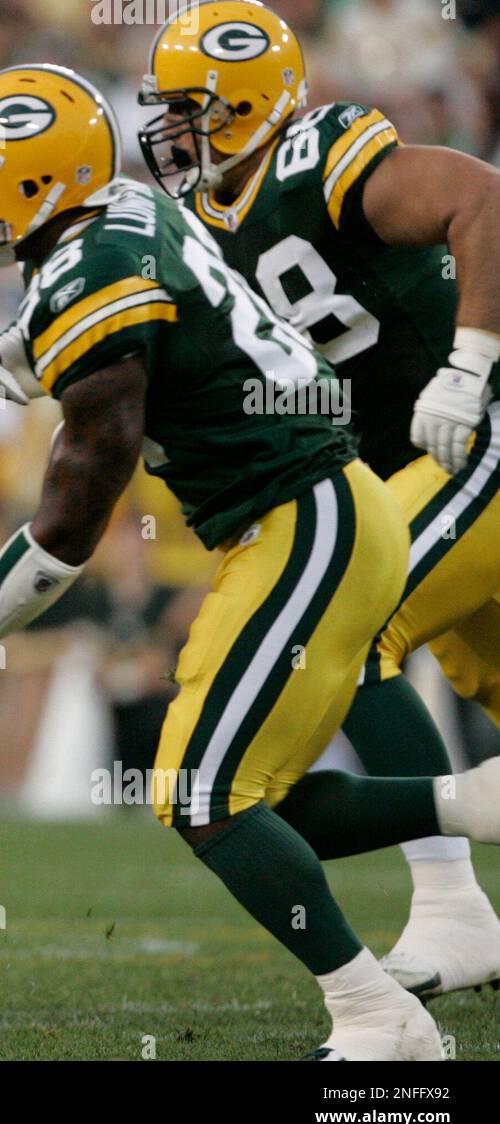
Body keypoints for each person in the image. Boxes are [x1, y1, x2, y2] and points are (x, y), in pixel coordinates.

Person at [0, 63, 500, 1059]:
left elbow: (70, 522)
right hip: (302, 518)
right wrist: (20, 354)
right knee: (240, 797)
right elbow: (165, 303)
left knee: (202, 793)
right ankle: (467, 809)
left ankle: (379, 1015)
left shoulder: (95, 267)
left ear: (35, 186)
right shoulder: (121, 215)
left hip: (303, 521)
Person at [134, 0, 500, 998]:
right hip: (406, 477)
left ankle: (451, 904)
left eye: (193, 108)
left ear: (252, 103)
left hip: (479, 433)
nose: (174, 130)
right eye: (166, 109)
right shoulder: (192, 227)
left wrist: (468, 365)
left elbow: (483, 198)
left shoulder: (320, 153)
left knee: (349, 625)